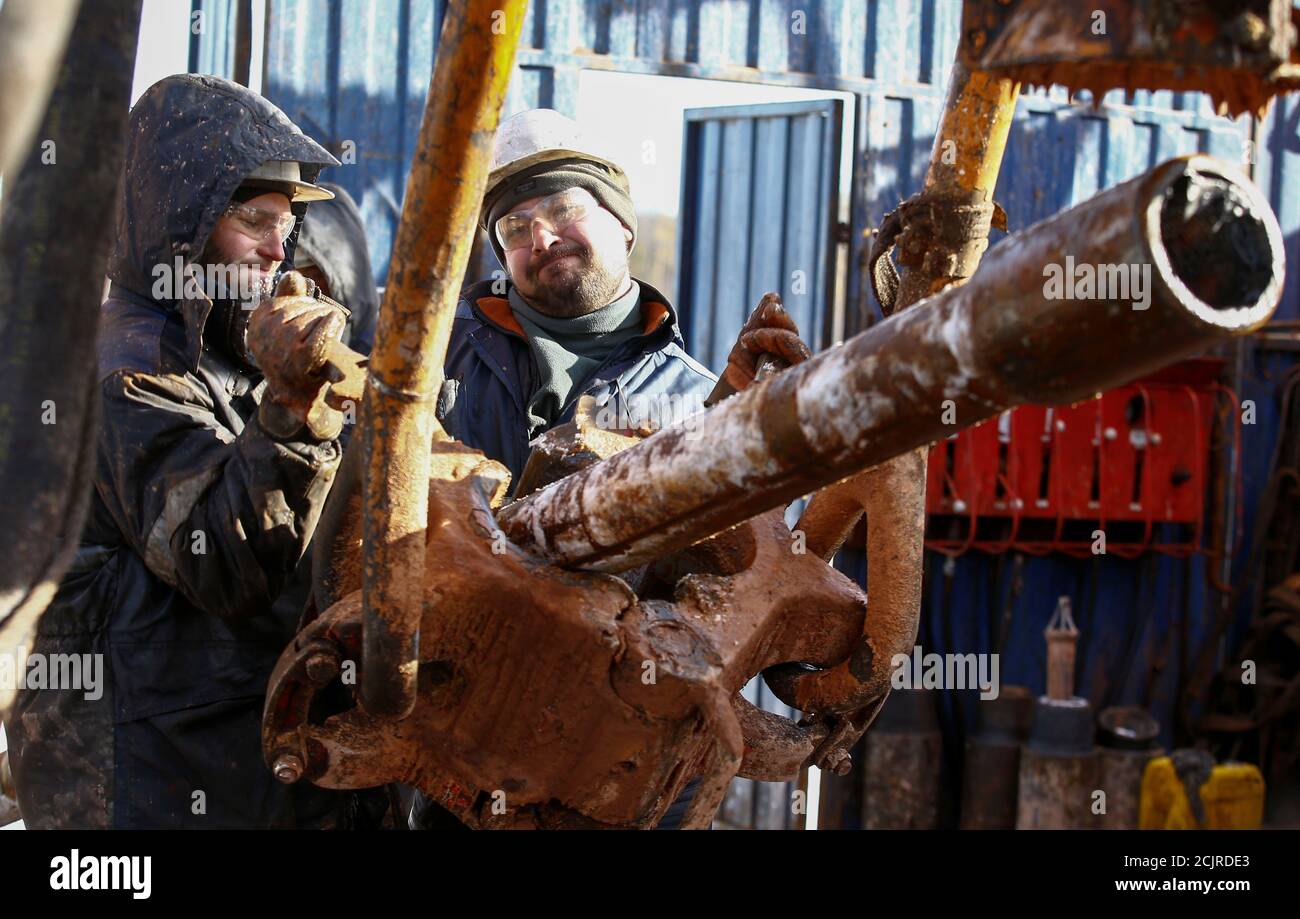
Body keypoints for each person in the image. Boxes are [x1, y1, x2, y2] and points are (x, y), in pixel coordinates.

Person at [406, 108, 810, 829]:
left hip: (622, 783)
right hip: (457, 767)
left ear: (623, 224)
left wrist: (742, 438)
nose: (542, 238)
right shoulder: (438, 370)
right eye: (515, 228)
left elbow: (738, 593)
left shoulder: (698, 399)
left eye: (563, 208)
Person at [3, 74, 357, 828]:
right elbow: (223, 558)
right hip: (138, 793)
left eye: (285, 224)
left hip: (207, 772)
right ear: (180, 224)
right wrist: (294, 414)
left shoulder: (207, 361)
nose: (277, 248)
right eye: (255, 220)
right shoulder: (124, 377)